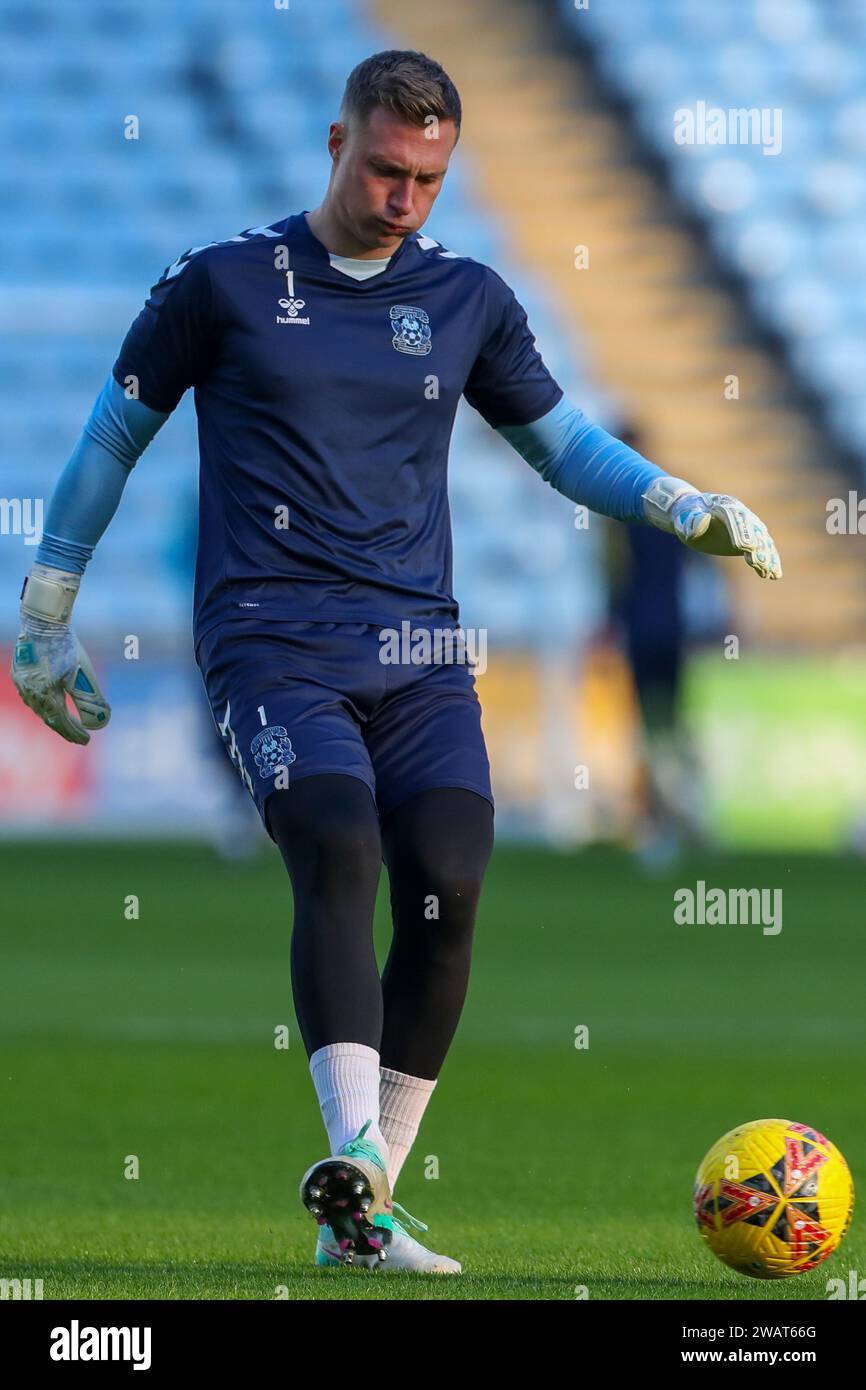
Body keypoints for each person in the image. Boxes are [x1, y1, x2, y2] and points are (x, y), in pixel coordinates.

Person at [11, 50, 781, 1274]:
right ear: (334, 144)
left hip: (419, 647)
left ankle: (363, 1194)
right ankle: (352, 1171)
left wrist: (673, 501)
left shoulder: (467, 298)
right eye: (383, 168)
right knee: (339, 839)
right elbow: (112, 437)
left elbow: (563, 445)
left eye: (427, 176)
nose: (402, 197)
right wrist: (47, 611)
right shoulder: (221, 284)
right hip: (269, 636)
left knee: (450, 878)